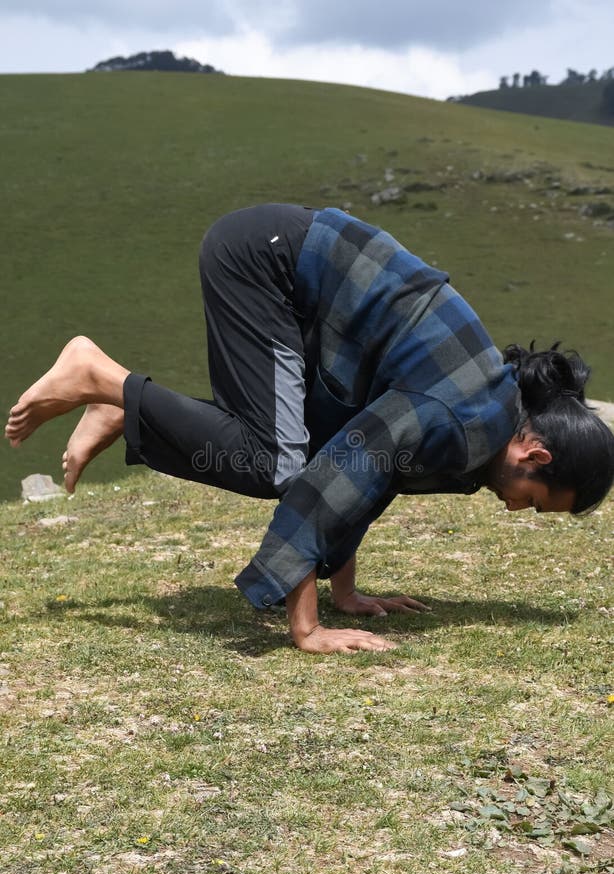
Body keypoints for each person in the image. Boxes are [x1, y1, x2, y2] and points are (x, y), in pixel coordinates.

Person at [5, 204, 614, 654]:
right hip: (264, 262)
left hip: (290, 270)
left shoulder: (485, 410)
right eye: (536, 503)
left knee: (283, 451)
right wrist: (308, 626)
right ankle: (102, 378)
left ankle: (126, 402)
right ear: (535, 455)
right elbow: (337, 476)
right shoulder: (464, 417)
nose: (517, 510)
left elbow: (372, 475)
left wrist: (345, 593)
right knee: (275, 463)